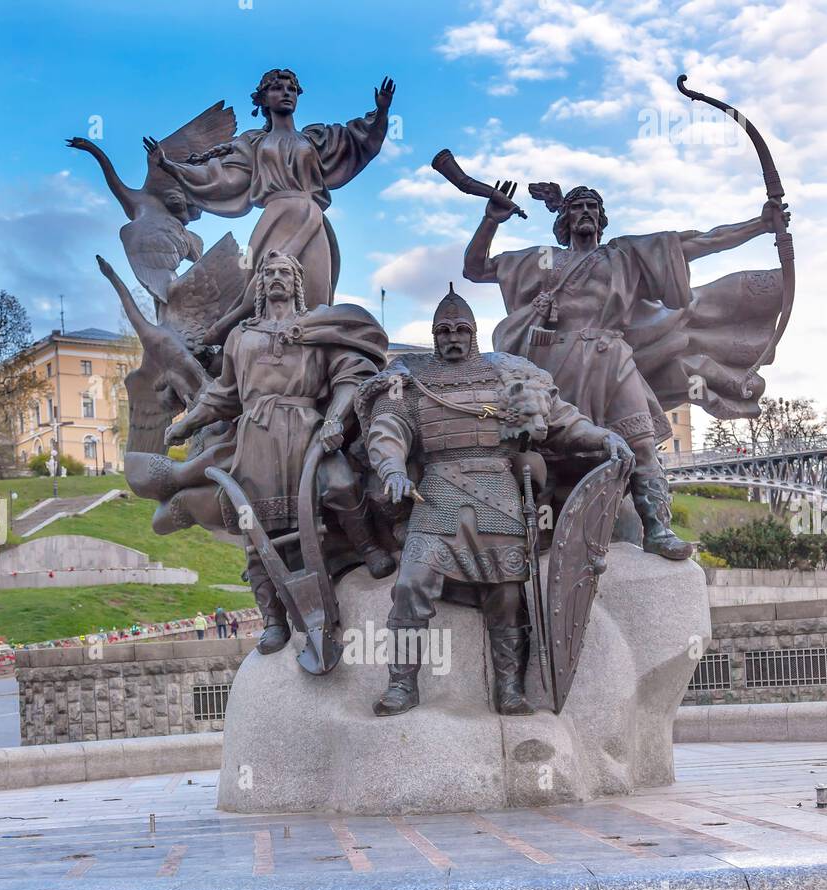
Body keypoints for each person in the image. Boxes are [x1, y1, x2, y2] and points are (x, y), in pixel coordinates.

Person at [463, 182, 789, 561]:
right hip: (556, 365)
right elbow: (475, 269)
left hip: (612, 359)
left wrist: (759, 225)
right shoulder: (544, 260)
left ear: (601, 219)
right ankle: (536, 535)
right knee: (547, 453)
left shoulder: (626, 256)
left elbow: (698, 243)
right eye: (576, 207)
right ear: (564, 219)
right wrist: (490, 220)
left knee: (642, 443)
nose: (585, 211)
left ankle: (657, 529)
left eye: (591, 206)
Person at [357, 285, 633, 717]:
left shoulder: (507, 375)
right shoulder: (410, 381)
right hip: (439, 495)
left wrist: (602, 436)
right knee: (410, 585)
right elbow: (388, 429)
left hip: (500, 496)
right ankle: (401, 684)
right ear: (433, 335)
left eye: (461, 329)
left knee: (507, 597)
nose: (452, 337)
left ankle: (509, 688)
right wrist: (391, 468)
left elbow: (560, 420)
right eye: (444, 330)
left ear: (474, 333)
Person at [156, 251, 394, 654]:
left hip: (306, 430)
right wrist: (187, 422)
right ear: (261, 284)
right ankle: (273, 621)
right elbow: (224, 395)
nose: (278, 278)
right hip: (257, 437)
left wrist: (335, 419)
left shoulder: (317, 328)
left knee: (339, 483)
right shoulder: (241, 336)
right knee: (256, 528)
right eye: (269, 273)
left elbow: (351, 375)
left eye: (286, 272)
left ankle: (366, 545)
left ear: (297, 282)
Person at [144, 67, 395, 340]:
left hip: (312, 220)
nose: (286, 93)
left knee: (314, 303)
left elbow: (359, 142)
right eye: (277, 88)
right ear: (263, 100)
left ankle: (314, 367)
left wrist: (381, 113)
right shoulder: (253, 143)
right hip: (274, 219)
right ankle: (249, 356)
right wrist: (169, 166)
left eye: (291, 89)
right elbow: (221, 178)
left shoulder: (315, 138)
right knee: (262, 296)